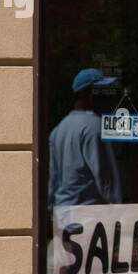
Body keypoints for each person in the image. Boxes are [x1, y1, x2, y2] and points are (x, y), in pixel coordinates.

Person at [48, 68, 124, 210]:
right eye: (101, 90)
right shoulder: (95, 126)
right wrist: (118, 209)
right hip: (88, 216)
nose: (107, 96)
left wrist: (51, 210)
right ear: (87, 93)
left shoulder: (59, 130)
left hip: (63, 213)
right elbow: (105, 174)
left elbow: (53, 177)